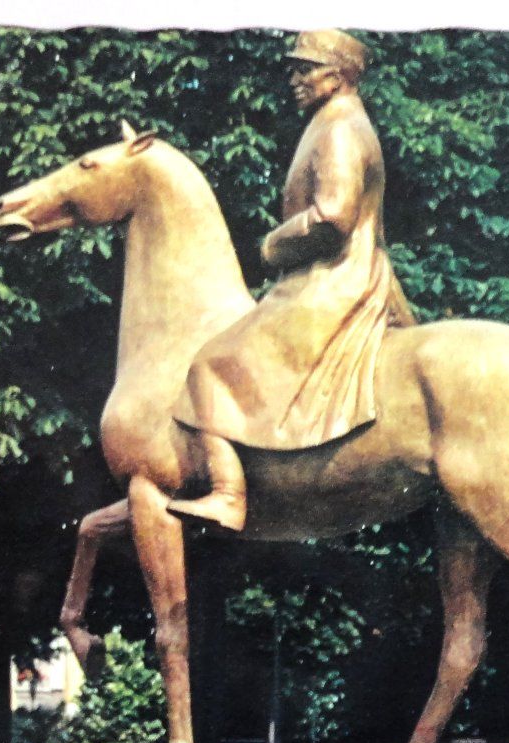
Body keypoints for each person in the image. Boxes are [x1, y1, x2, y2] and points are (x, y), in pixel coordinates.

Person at [168, 29, 415, 532]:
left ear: (340, 74)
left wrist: (271, 245)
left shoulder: (342, 128)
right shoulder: (333, 121)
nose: (294, 78)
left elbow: (333, 217)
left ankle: (228, 494)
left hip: (332, 279)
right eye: (293, 68)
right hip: (334, 274)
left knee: (212, 363)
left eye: (307, 68)